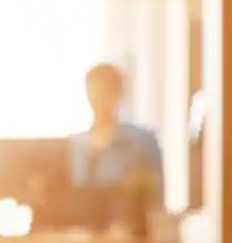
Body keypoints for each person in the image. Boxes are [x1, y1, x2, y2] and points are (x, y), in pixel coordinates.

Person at [69, 63, 164, 205]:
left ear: (120, 94)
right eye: (97, 95)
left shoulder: (143, 144)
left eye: (108, 92)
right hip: (78, 225)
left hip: (127, 224)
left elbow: (155, 201)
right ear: (88, 95)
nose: (102, 102)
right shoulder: (72, 147)